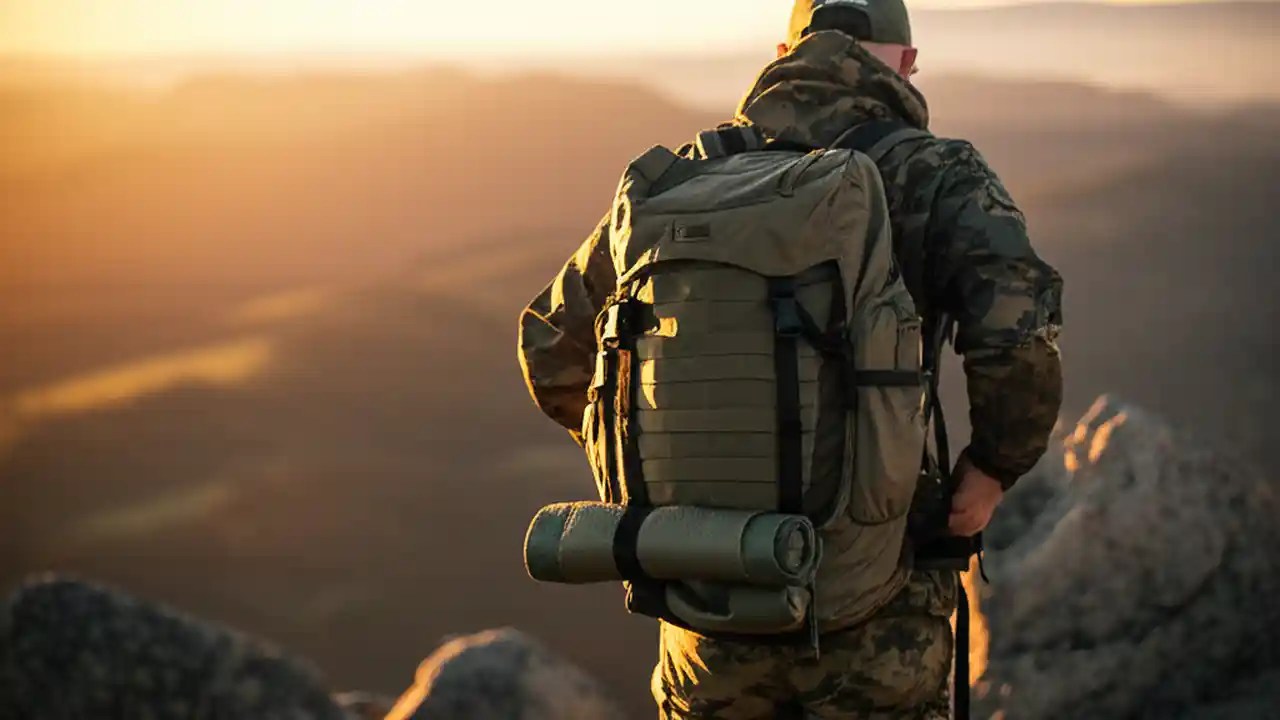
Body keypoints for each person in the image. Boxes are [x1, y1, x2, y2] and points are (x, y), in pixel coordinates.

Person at [517, 0, 1064, 716]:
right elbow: (1018, 327)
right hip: (876, 607)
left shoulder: (683, 178)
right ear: (906, 64)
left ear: (783, 54)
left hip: (708, 605)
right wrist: (993, 468)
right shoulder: (937, 172)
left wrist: (661, 457)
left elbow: (551, 344)